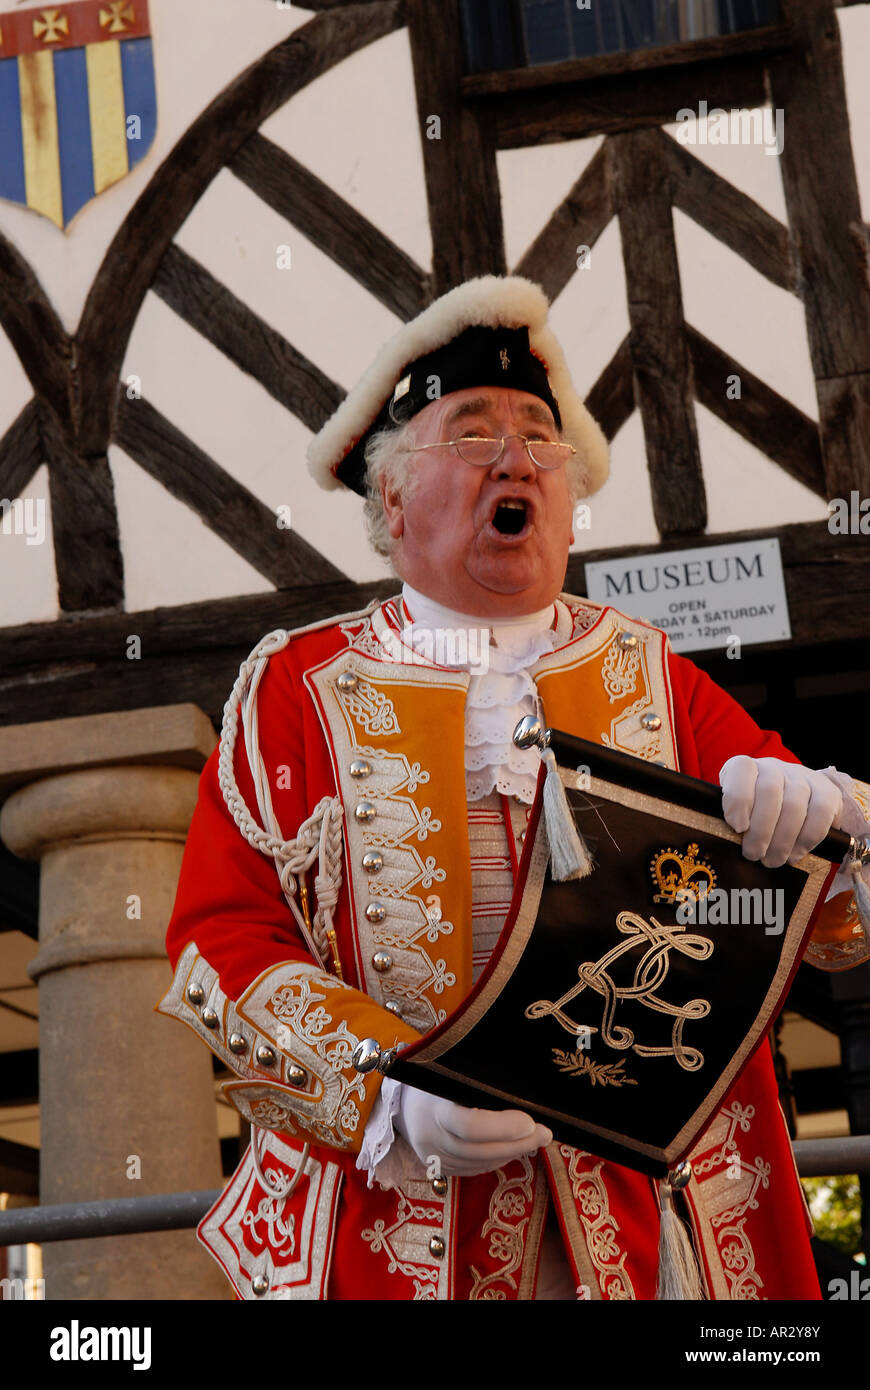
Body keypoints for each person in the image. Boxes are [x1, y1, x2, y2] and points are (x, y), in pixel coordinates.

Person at [159, 276, 870, 1301]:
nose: (516, 456)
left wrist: (830, 816)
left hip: (648, 1225)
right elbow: (220, 947)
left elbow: (838, 913)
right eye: (474, 430)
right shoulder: (296, 688)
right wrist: (390, 1093)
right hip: (400, 1223)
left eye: (541, 437)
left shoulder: (652, 670)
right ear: (392, 499)